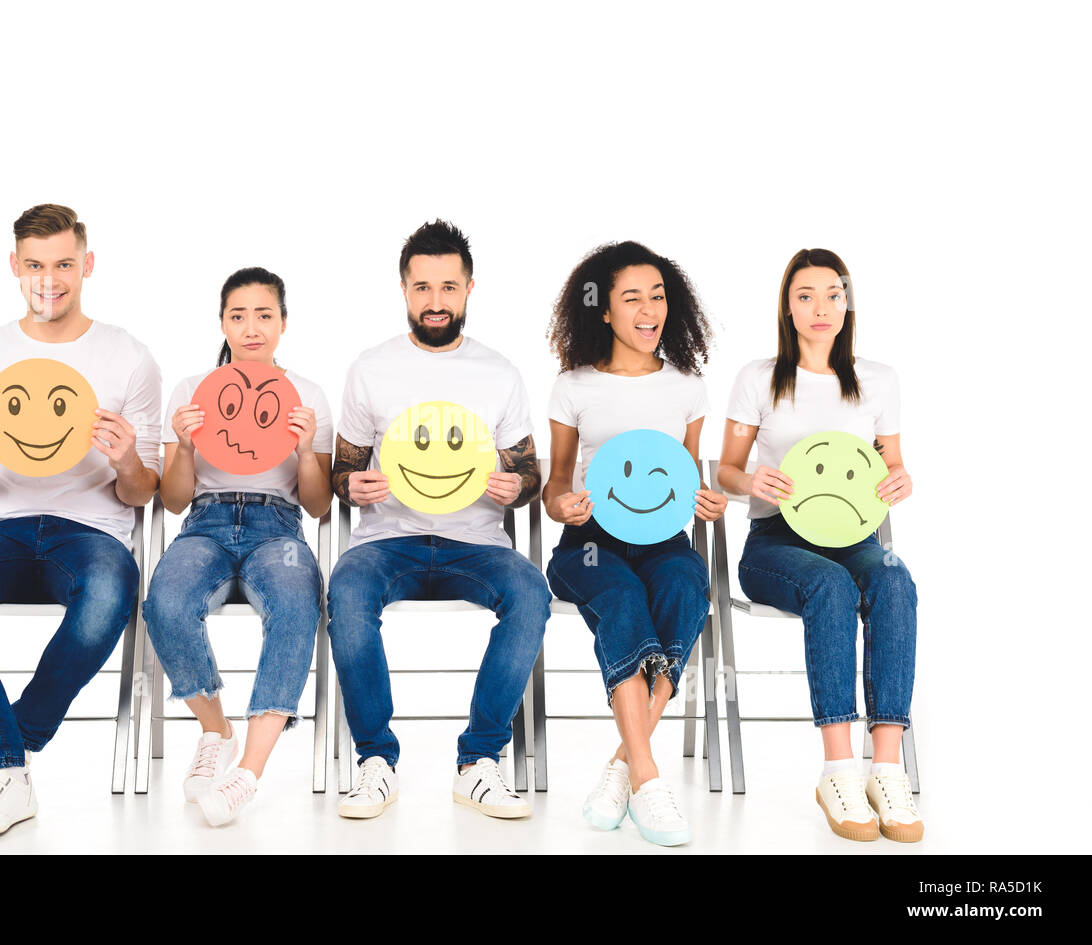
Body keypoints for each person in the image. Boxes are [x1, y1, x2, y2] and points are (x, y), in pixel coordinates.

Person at [0, 204, 161, 839]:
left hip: (90, 537)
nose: (49, 280)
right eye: (35, 266)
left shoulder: (128, 357)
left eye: (64, 265)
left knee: (111, 588)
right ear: (15, 267)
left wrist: (127, 459)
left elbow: (143, 492)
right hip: (1, 537)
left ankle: (9, 745)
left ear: (88, 265)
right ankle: (4, 768)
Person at [328, 220, 549, 820]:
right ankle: (376, 761)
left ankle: (479, 763)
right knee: (347, 591)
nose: (435, 301)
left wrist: (518, 485)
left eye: (448, 287)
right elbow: (342, 470)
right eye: (422, 287)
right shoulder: (371, 368)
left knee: (530, 592)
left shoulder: (499, 373)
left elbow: (529, 471)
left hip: (476, 544)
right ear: (404, 289)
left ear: (469, 289)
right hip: (387, 541)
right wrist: (352, 484)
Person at [717, 248, 922, 843]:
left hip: (854, 535)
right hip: (775, 542)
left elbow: (893, 463)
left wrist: (900, 480)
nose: (820, 307)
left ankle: (886, 769)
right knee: (830, 586)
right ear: (787, 306)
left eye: (833, 294)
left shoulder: (879, 379)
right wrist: (751, 481)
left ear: (847, 302)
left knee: (894, 578)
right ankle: (838, 770)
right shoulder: (758, 378)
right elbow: (726, 471)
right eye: (805, 296)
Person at [542, 241, 725, 846]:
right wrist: (560, 504)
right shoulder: (574, 384)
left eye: (658, 296)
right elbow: (555, 485)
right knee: (621, 595)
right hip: (589, 543)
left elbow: (688, 478)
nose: (649, 310)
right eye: (632, 298)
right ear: (603, 309)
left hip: (663, 539)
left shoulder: (687, 387)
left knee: (685, 585)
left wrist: (707, 501)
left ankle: (625, 765)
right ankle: (649, 776)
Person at [143, 267, 332, 827]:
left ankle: (247, 772)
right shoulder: (192, 391)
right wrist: (183, 446)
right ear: (222, 323)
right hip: (205, 521)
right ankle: (215, 730)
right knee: (165, 601)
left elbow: (318, 505)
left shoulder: (307, 395)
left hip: (278, 527)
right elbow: (173, 500)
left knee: (297, 602)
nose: (252, 328)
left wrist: (305, 451)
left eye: (264, 315)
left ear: (283, 323)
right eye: (238, 316)